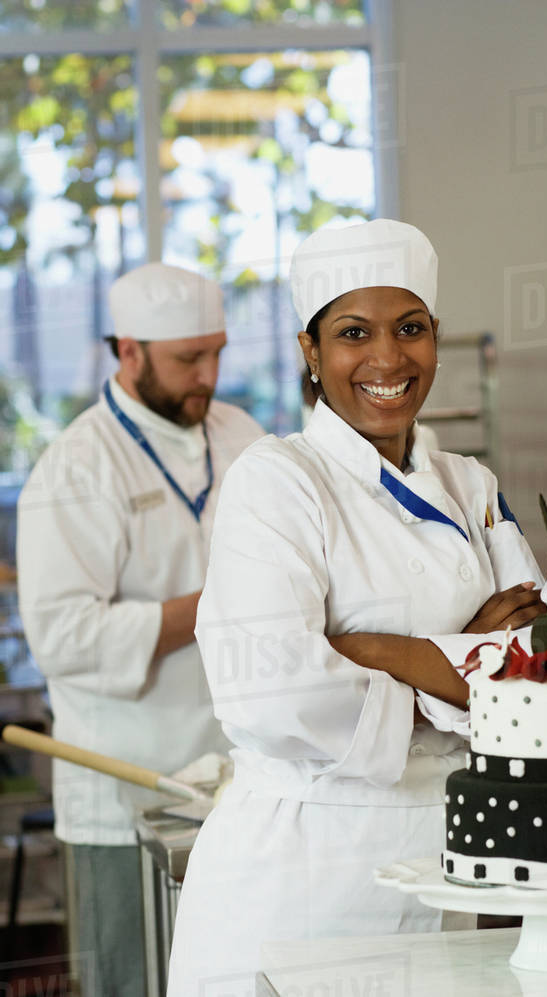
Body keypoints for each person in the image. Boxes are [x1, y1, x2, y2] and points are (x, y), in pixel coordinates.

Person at [167, 219, 545, 995]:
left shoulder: (470, 484)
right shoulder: (277, 480)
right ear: (311, 350)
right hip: (296, 878)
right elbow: (277, 688)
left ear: (436, 336)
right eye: (352, 332)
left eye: (410, 328)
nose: (386, 357)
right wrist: (458, 662)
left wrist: (373, 650)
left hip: (441, 868)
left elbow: (539, 674)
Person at [16, 262, 264, 997]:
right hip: (125, 797)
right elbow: (60, 636)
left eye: (217, 351)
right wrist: (215, 602)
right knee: (132, 980)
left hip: (239, 785)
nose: (209, 374)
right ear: (129, 353)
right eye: (189, 358)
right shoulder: (74, 469)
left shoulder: (242, 434)